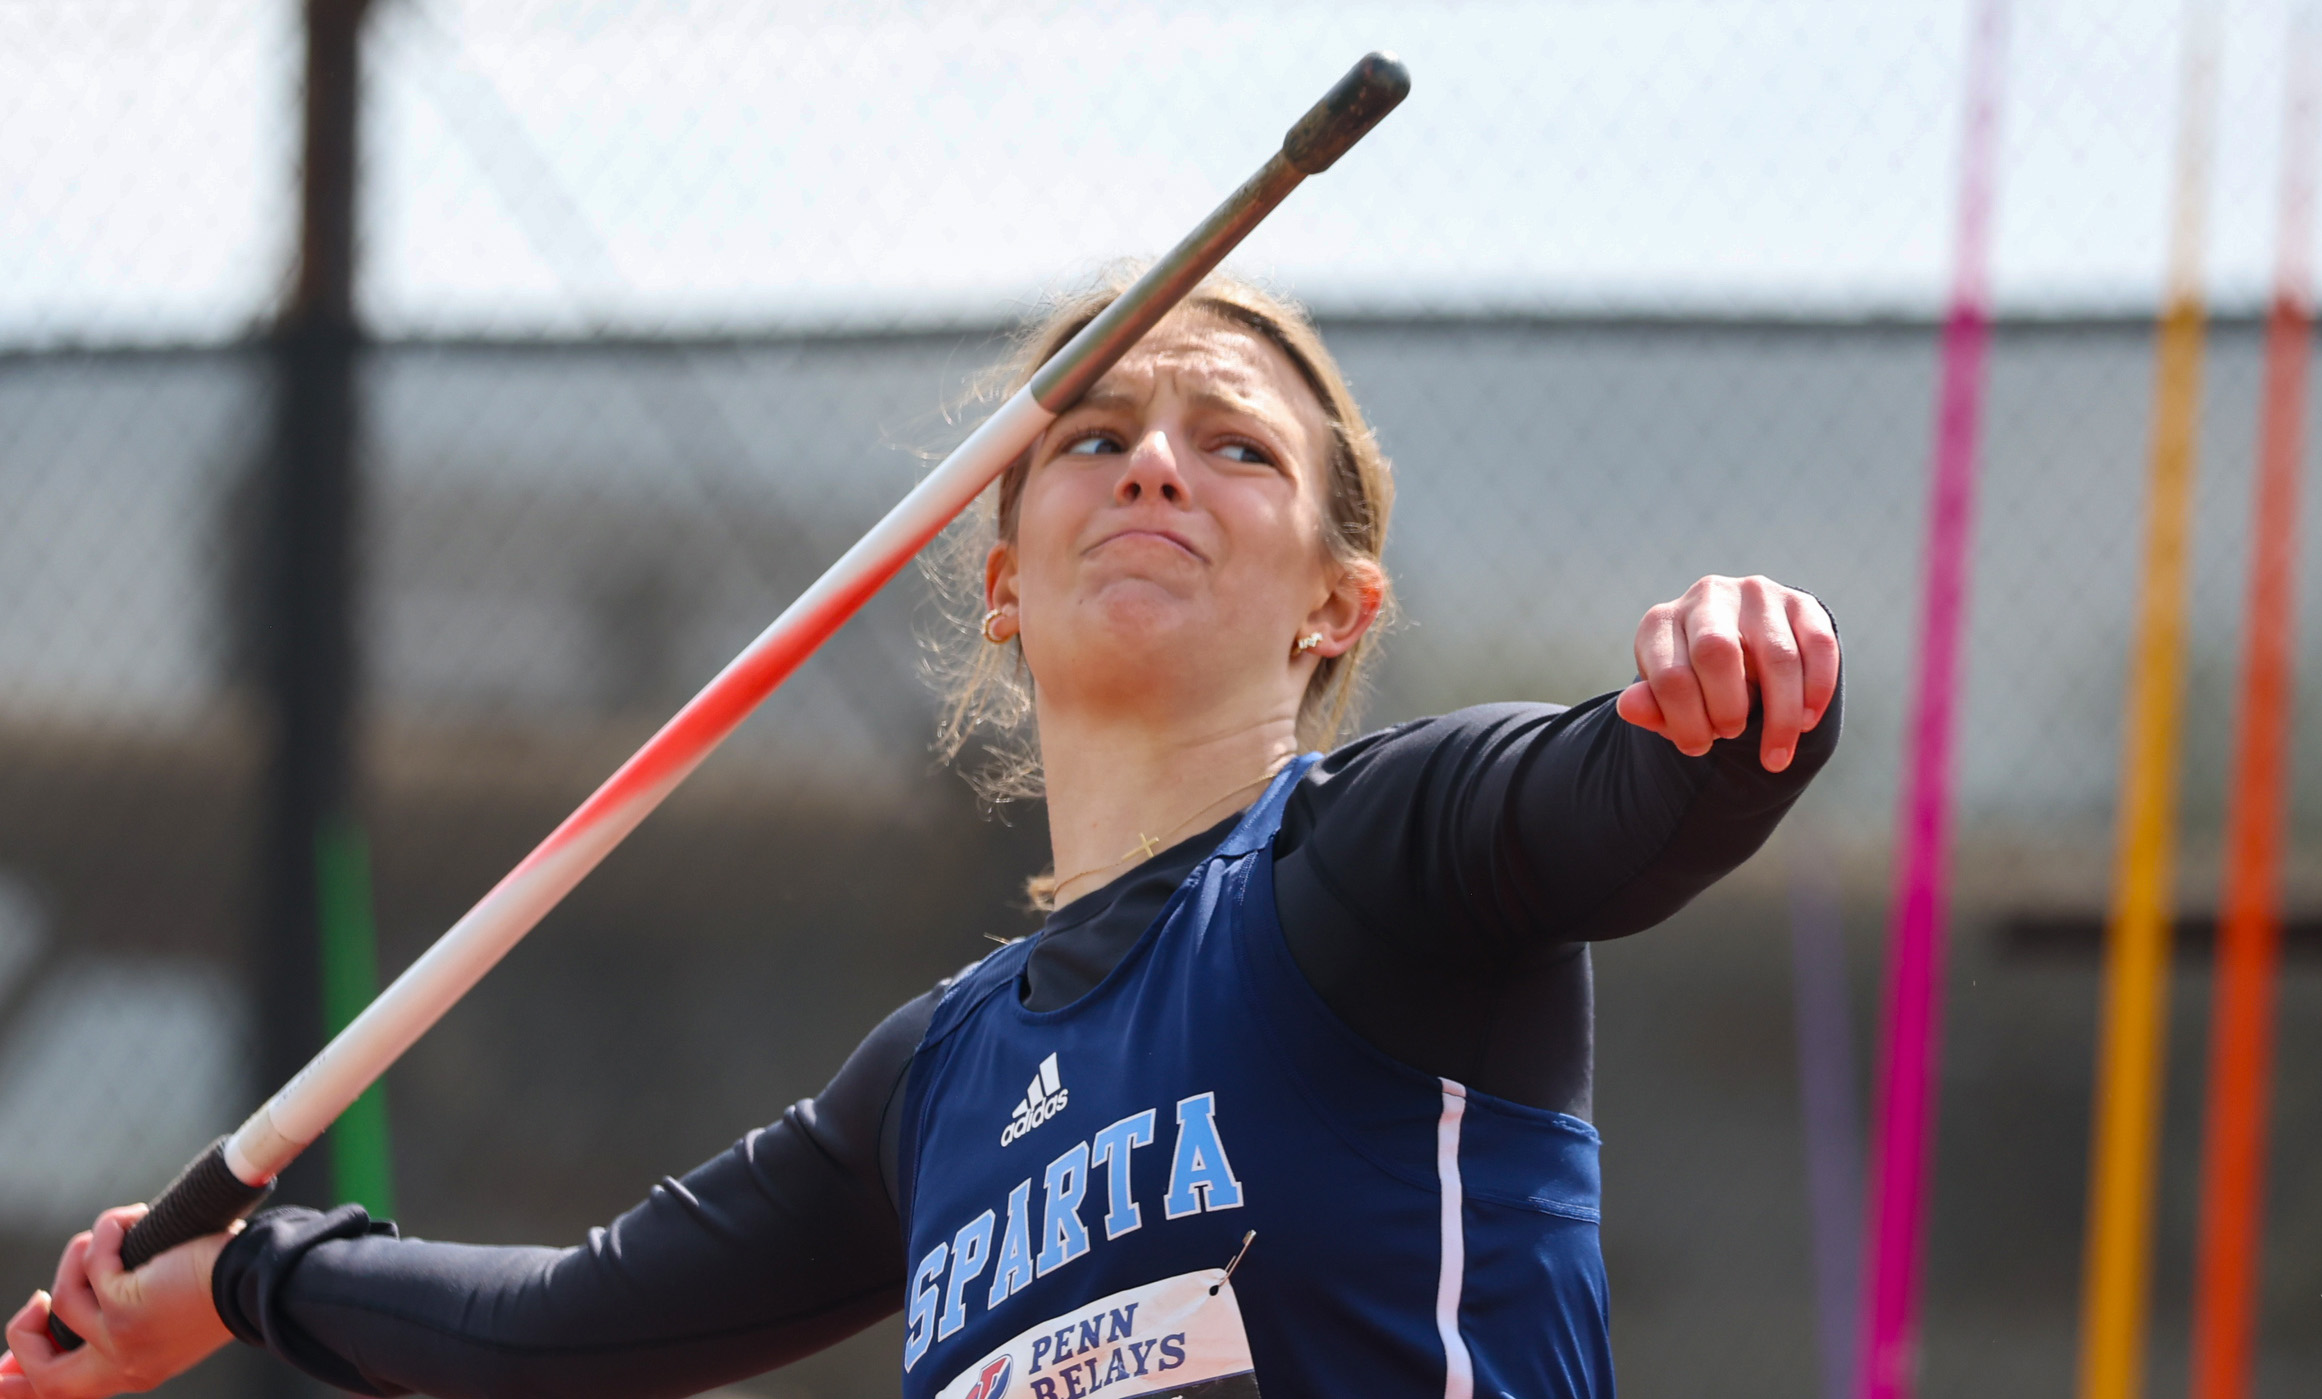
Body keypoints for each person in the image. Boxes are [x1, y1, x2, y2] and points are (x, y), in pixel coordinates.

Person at [1, 272, 1839, 1399]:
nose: (1152, 465)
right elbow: (576, 1325)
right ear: (1004, 579)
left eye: (1236, 449)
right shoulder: (942, 1076)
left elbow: (1615, 800)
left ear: (1334, 610)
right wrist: (245, 1278)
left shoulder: (1388, 852)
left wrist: (1730, 710)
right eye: (1096, 434)